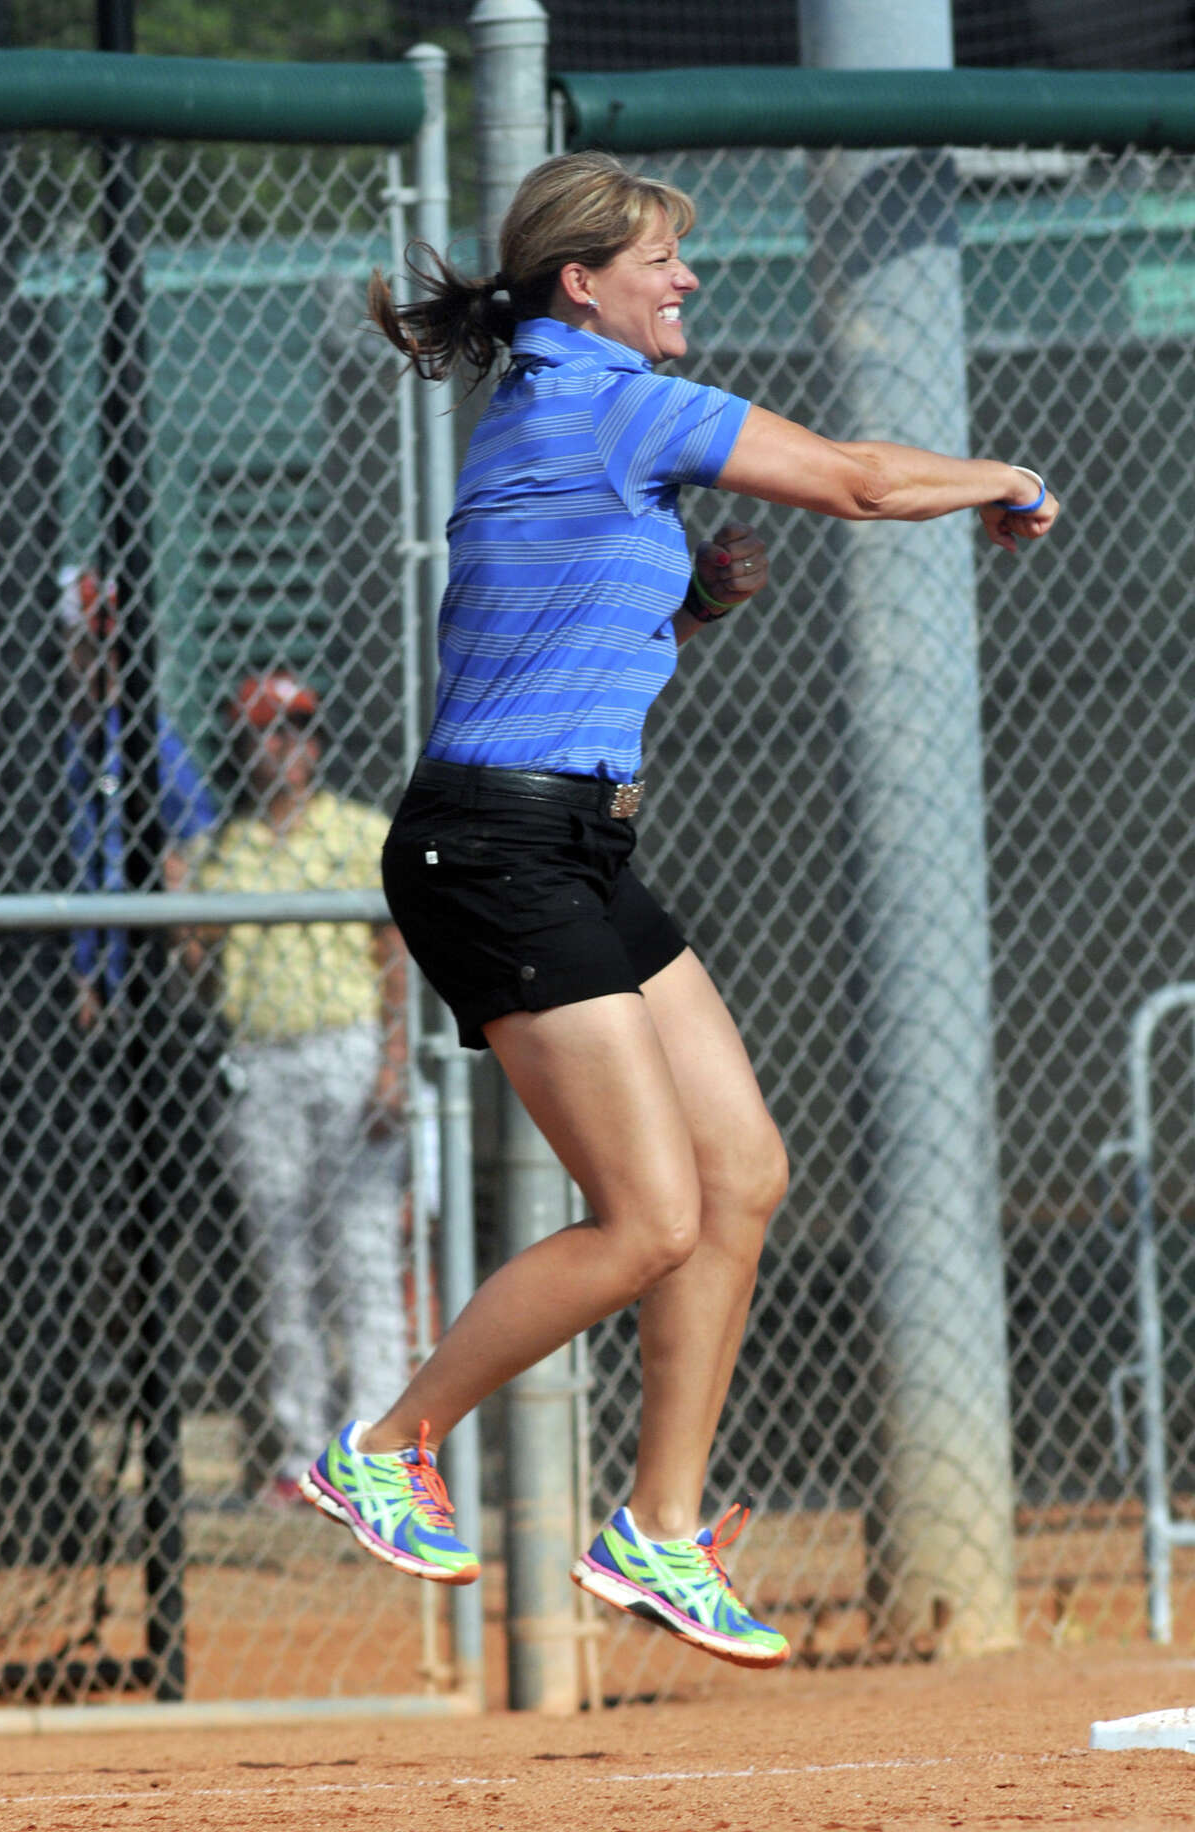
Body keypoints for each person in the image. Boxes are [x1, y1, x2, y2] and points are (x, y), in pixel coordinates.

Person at [297, 151, 1059, 1668]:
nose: (688, 279)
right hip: (497, 847)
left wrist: (691, 601)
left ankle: (656, 1529)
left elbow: (549, 619)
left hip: (568, 838)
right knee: (647, 1218)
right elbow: (857, 478)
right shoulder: (611, 399)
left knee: (743, 1175)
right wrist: (1008, 478)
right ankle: (384, 1447)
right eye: (662, 257)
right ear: (585, 282)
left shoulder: (558, 410)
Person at [189, 672, 411, 1502]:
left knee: (361, 1252)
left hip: (347, 1048)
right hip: (259, 1060)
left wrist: (392, 1065)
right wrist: (186, 922)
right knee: (284, 1264)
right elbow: (206, 978)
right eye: (266, 732)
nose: (285, 747)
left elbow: (393, 953)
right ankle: (303, 1451)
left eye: (298, 730)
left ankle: (379, 1448)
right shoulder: (221, 849)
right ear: (242, 747)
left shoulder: (357, 833)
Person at [60, 565, 217, 1023]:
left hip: (128, 959)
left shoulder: (141, 735)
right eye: (88, 643)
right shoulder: (33, 738)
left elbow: (195, 834)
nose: (105, 659)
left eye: (110, 645)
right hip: (48, 951)